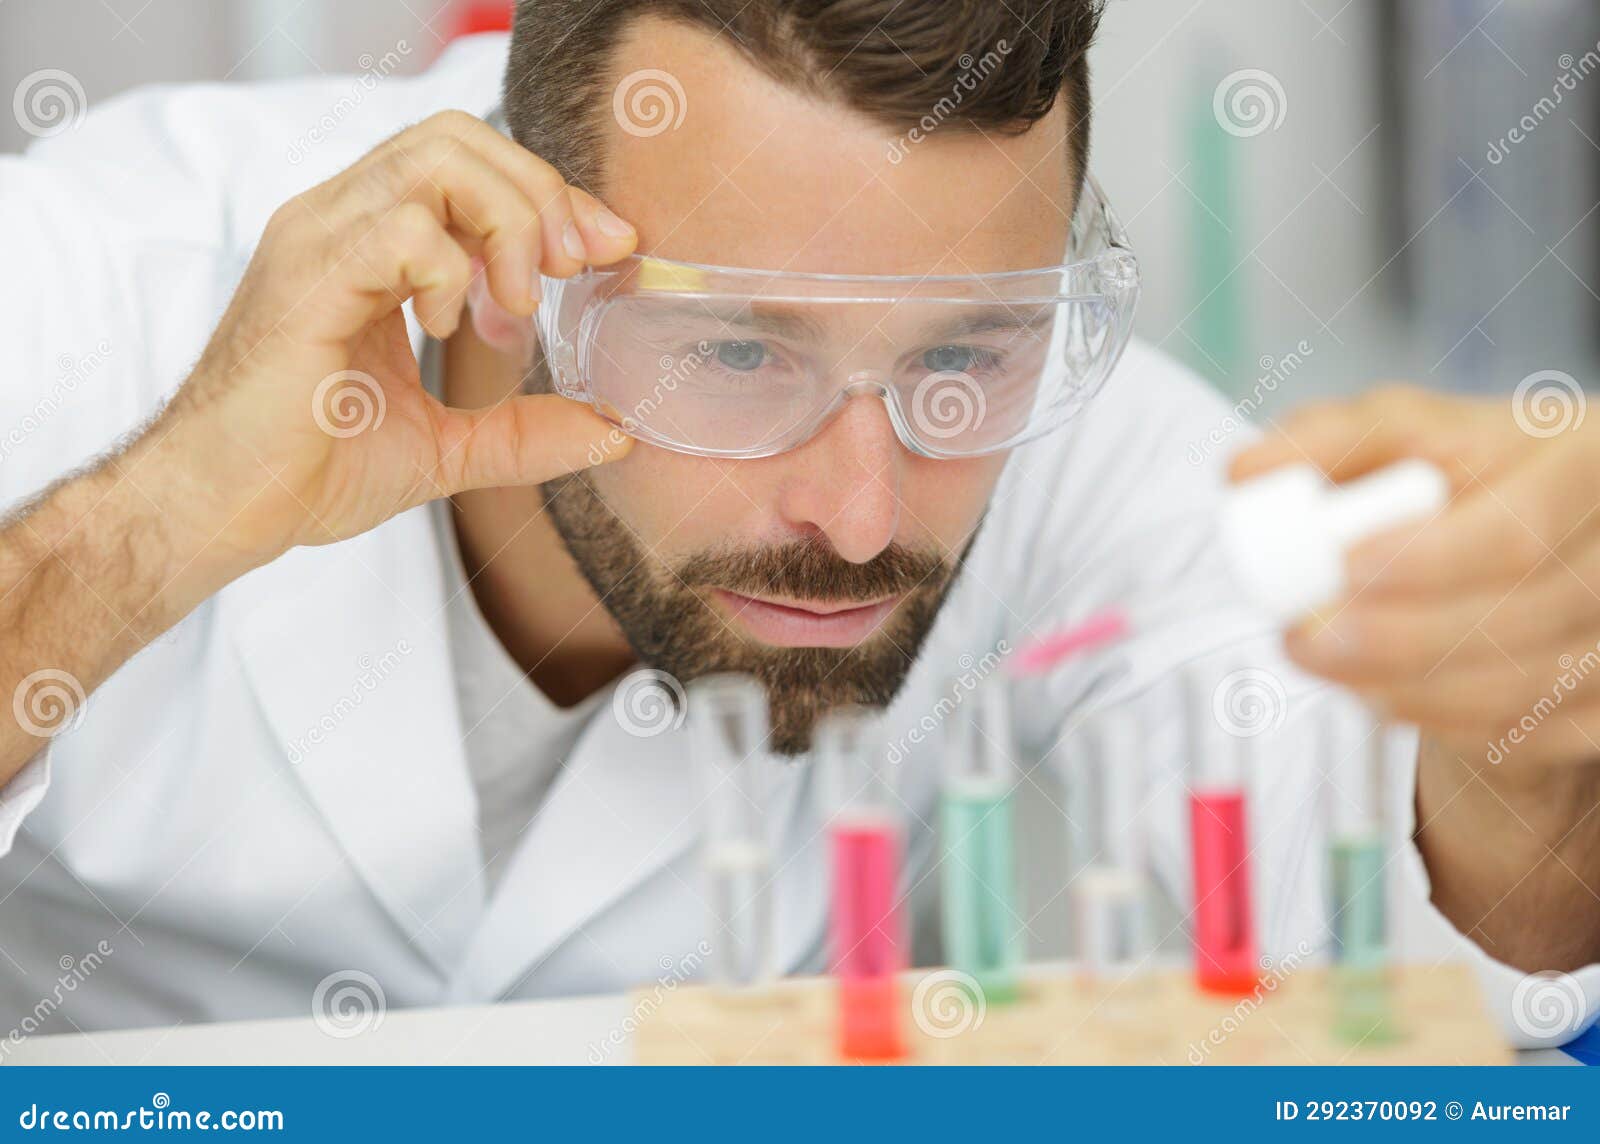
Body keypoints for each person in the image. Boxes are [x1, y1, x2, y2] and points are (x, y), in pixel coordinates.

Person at [0, 0, 1595, 1050]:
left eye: (961, 354)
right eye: (741, 354)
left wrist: (1527, 738)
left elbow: (1448, 961)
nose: (857, 514)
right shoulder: (84, 290)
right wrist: (154, 521)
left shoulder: (1041, 416)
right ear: (512, 254)